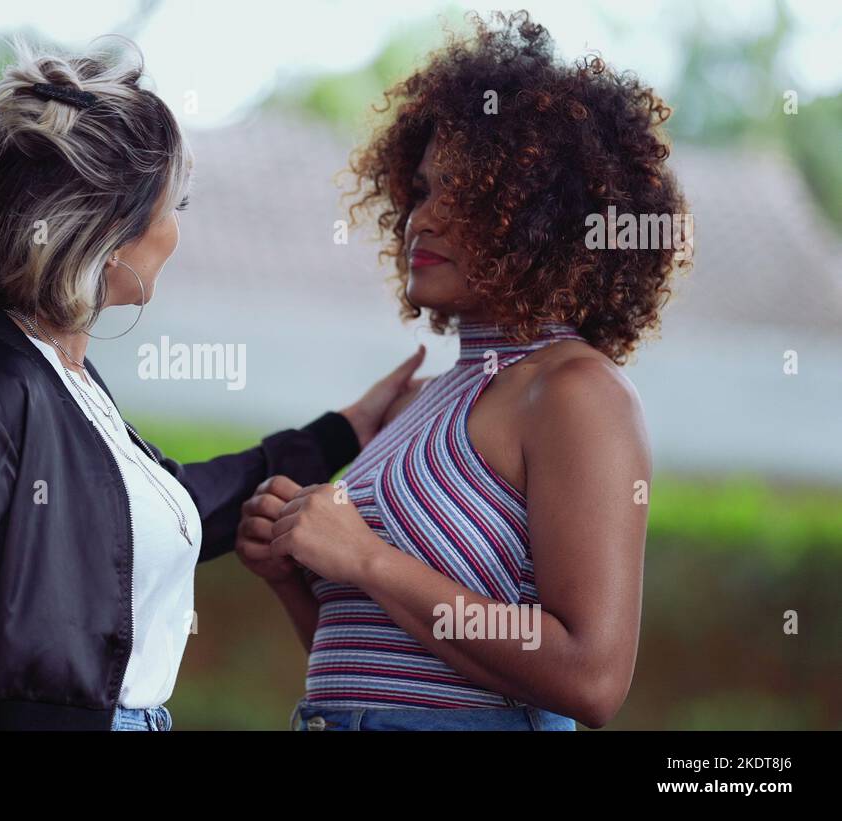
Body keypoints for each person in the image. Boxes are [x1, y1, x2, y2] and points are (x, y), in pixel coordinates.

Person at [0, 36, 420, 731]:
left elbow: (167, 509)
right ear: (109, 235)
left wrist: (343, 429)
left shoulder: (64, 378)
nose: (179, 232)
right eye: (173, 205)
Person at [236, 11, 689, 731]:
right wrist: (293, 574)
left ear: (548, 219)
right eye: (420, 189)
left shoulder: (576, 393)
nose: (425, 217)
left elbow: (592, 676)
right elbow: (390, 667)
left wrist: (367, 559)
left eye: (465, 194)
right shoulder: (417, 400)